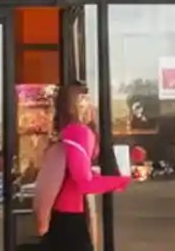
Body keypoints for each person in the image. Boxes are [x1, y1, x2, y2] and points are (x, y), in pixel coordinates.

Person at [45, 83, 130, 251]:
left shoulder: (68, 131)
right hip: (71, 217)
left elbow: (78, 173)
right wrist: (121, 181)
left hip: (65, 213)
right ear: (76, 104)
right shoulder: (78, 133)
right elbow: (84, 182)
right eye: (85, 98)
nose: (91, 104)